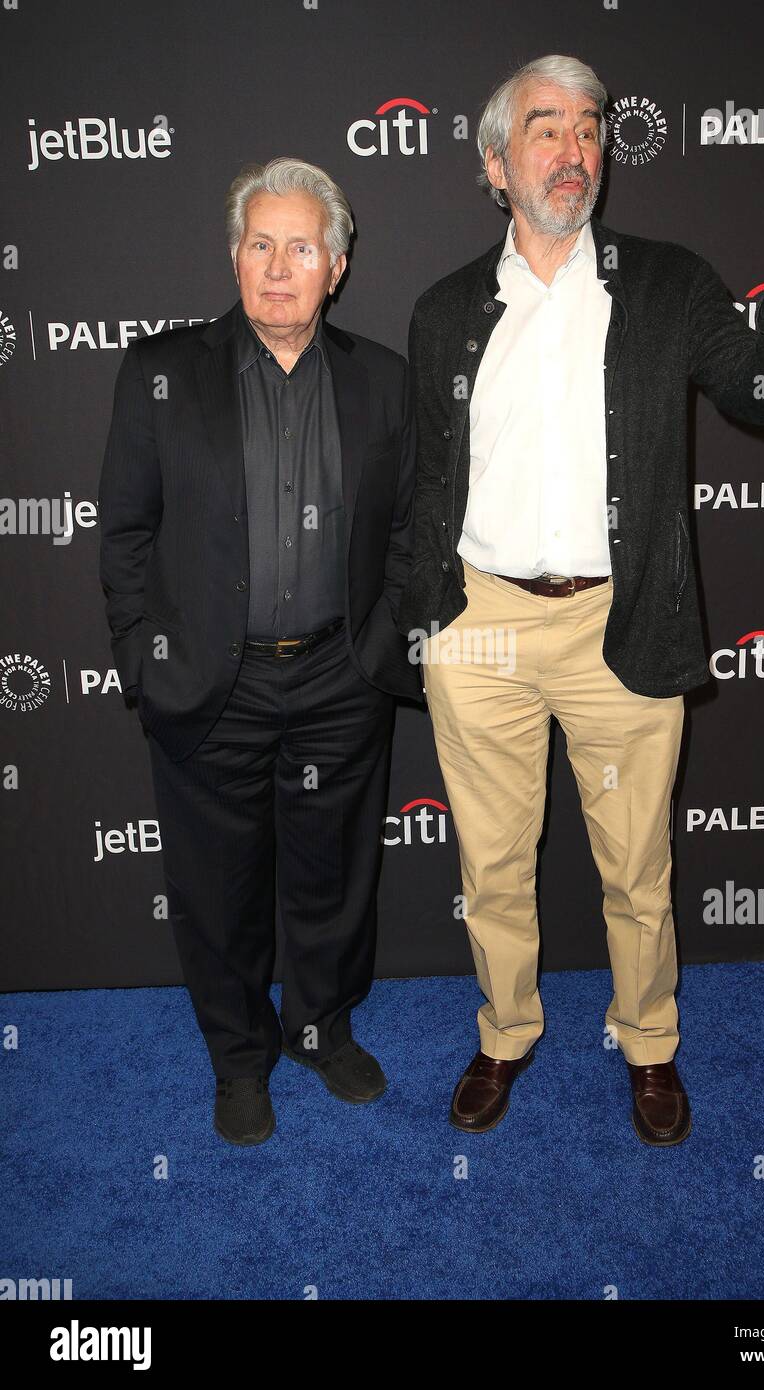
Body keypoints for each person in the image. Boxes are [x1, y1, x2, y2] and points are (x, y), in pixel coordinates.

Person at [398, 54, 764, 1143]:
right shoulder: (441, 312)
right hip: (479, 621)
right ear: (493, 166)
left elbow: (760, 393)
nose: (571, 150)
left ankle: (649, 1044)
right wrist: (423, 622)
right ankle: (505, 1031)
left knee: (636, 863)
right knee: (490, 861)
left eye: (586, 129)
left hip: (619, 622)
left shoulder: (666, 283)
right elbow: (424, 482)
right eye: (543, 129)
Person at [99, 157, 419, 1146]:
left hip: (337, 675)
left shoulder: (385, 384)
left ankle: (320, 1029)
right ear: (234, 256)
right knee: (218, 887)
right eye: (259, 244)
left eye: (301, 247)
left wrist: (376, 650)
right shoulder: (160, 373)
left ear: (338, 264)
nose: (278, 268)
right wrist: (145, 660)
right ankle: (238, 1057)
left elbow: (411, 531)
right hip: (210, 681)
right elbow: (125, 534)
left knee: (332, 880)